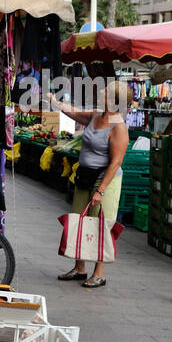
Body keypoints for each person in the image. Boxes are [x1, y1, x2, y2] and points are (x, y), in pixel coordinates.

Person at [48, 80, 130, 289]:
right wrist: (55, 103)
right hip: (85, 176)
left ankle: (99, 273)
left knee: (101, 224)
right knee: (80, 221)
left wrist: (101, 190)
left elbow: (116, 162)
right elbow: (74, 113)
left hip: (105, 181)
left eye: (105, 91)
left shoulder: (118, 127)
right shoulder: (96, 116)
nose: (101, 90)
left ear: (113, 100)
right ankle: (79, 267)